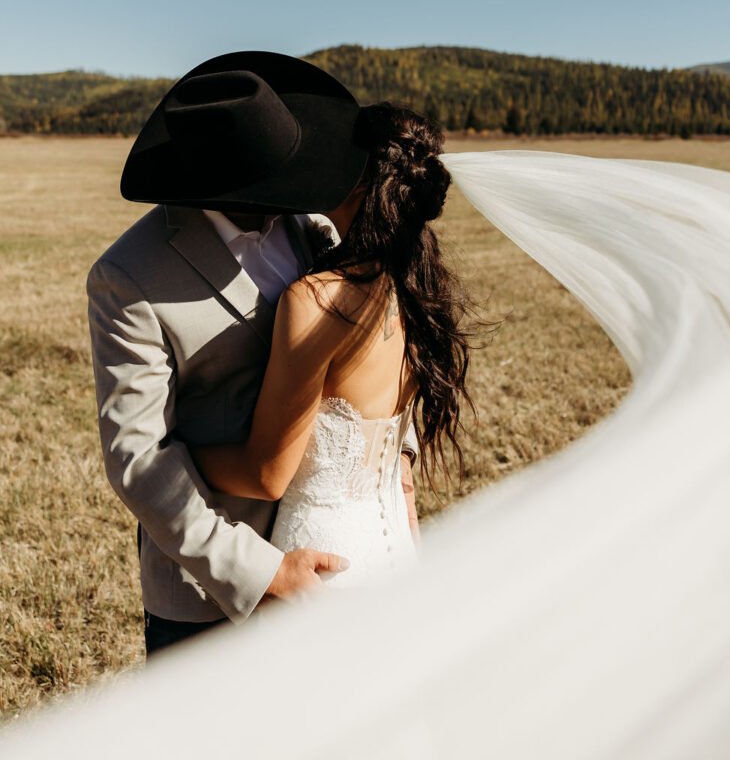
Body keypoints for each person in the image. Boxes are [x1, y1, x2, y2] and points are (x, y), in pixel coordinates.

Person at [87, 52, 419, 656]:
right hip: (212, 595)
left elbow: (370, 345)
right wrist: (260, 573)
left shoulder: (311, 229)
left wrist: (395, 466)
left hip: (334, 546)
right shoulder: (127, 276)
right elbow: (138, 458)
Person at [190, 102, 475, 586]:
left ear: (363, 181)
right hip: (394, 551)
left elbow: (267, 475)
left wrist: (177, 450)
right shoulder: (419, 285)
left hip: (326, 560)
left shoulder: (316, 300)